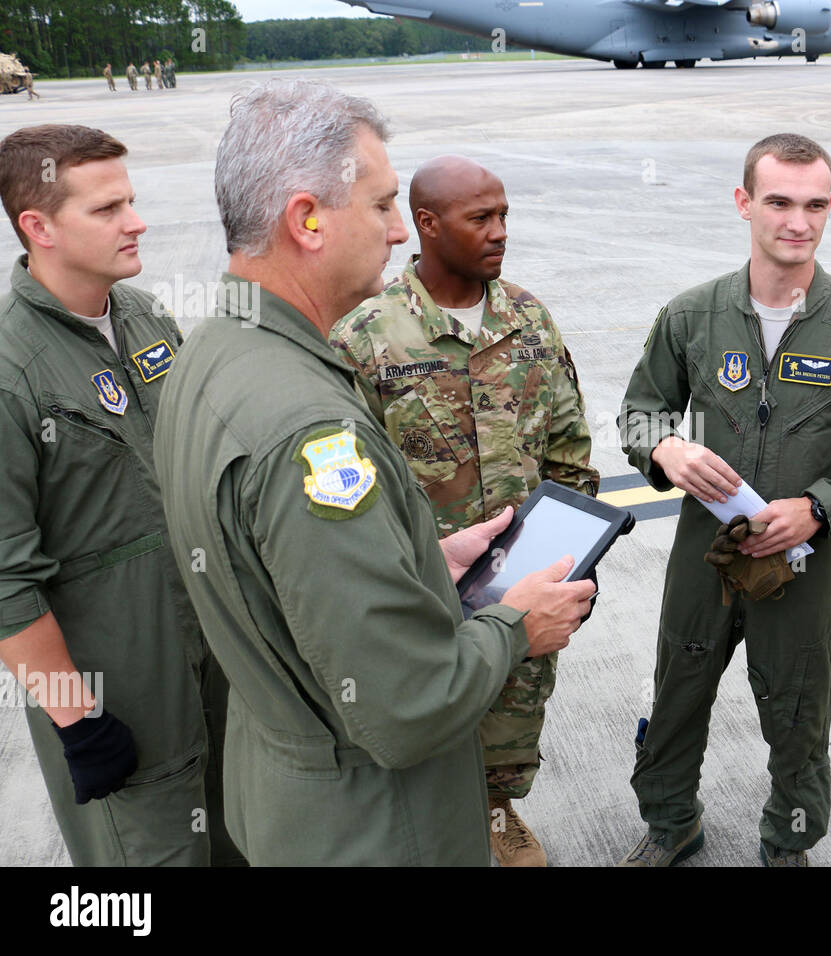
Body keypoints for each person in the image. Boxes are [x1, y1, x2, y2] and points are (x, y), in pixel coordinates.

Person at [151, 81, 594, 866]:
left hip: (293, 792)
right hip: (377, 828)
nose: (398, 234)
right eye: (384, 205)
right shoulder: (310, 431)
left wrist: (431, 562)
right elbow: (405, 705)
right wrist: (514, 625)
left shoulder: (213, 353)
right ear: (306, 219)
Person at [617, 133, 831, 867]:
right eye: (779, 202)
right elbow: (641, 411)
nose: (799, 222)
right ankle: (671, 825)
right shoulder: (692, 316)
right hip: (704, 553)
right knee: (678, 693)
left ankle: (789, 841)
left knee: (797, 711)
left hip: (801, 561)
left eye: (816, 204)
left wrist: (818, 507)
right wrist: (665, 448)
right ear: (744, 203)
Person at [332, 156, 599, 867]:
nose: (499, 232)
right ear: (427, 224)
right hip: (423, 595)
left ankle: (493, 807)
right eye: (480, 218)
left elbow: (570, 450)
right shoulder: (367, 338)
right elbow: (348, 493)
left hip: (527, 585)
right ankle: (433, 832)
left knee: (509, 721)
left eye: (504, 215)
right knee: (422, 729)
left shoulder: (528, 316)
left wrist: (582, 560)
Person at [0, 124, 242, 866]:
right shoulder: (14, 375)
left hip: (216, 667)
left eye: (130, 201)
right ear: (37, 226)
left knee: (243, 842)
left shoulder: (144, 318)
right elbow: (7, 579)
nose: (136, 221)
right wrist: (79, 722)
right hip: (123, 698)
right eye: (107, 209)